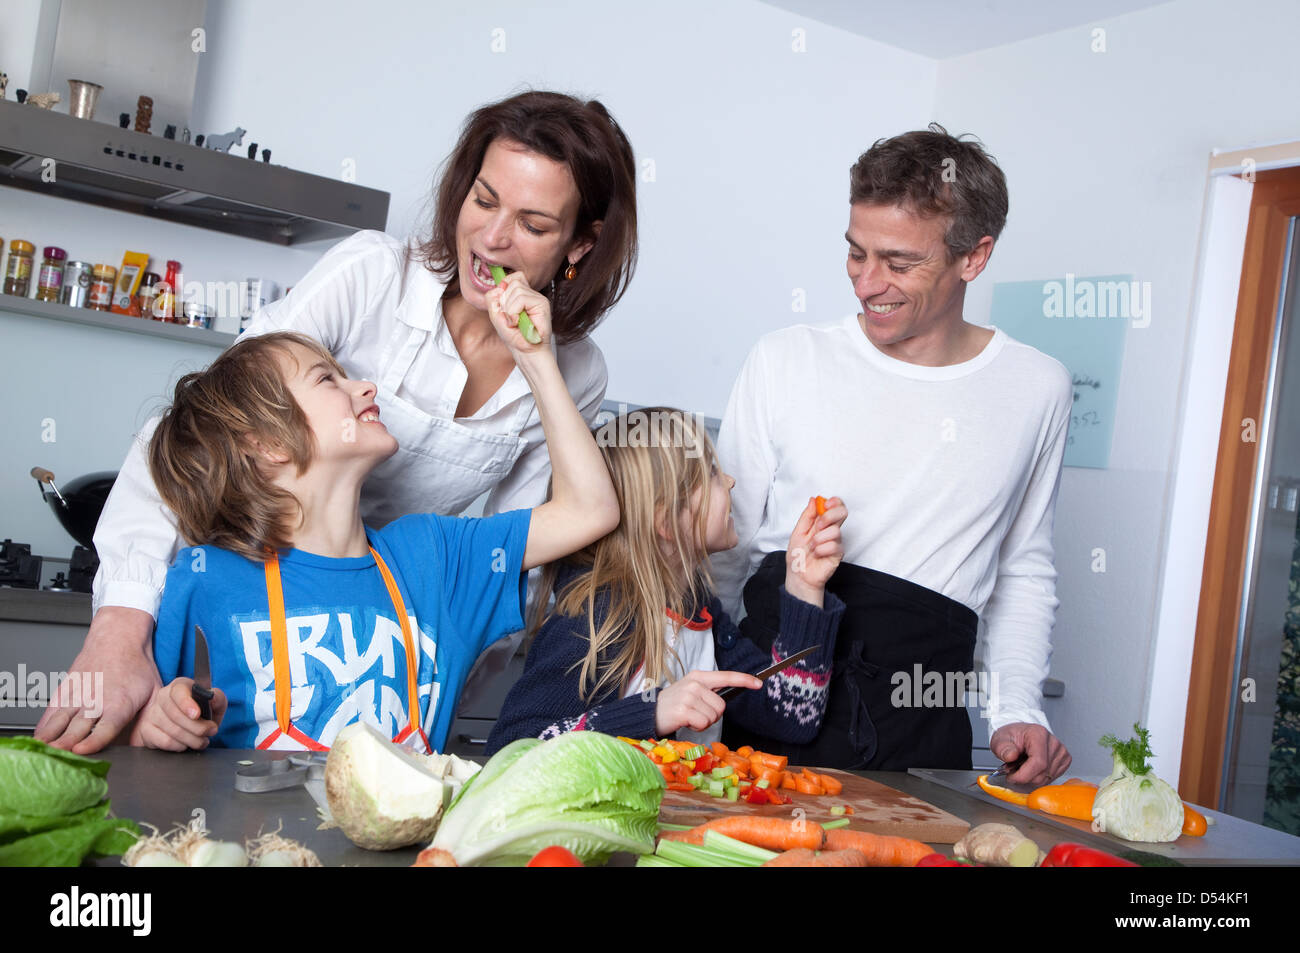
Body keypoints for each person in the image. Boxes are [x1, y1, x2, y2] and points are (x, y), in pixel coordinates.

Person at [38, 90, 639, 754]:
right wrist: (119, 633)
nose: (493, 238)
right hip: (262, 579)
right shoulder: (372, 276)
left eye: (533, 223)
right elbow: (216, 415)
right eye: (484, 200)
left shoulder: (574, 374)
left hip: (392, 608)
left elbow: (514, 542)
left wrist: (424, 691)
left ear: (581, 243)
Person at [711, 124, 1073, 787]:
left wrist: (1016, 707)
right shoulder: (786, 359)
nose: (868, 283)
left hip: (920, 712)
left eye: (900, 263)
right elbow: (725, 547)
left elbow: (1023, 566)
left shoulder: (1036, 388)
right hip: (774, 691)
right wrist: (689, 690)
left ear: (975, 256)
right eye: (856, 253)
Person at [132, 317, 617, 751]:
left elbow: (590, 509)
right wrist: (159, 723)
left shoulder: (435, 558)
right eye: (327, 379)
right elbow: (144, 738)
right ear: (267, 443)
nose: (365, 387)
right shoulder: (204, 578)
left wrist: (535, 358)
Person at [485, 408, 847, 754]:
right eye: (711, 473)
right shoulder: (597, 619)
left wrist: (804, 586)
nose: (731, 481)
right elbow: (516, 747)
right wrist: (651, 712)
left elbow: (790, 716)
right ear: (666, 520)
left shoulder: (697, 608)